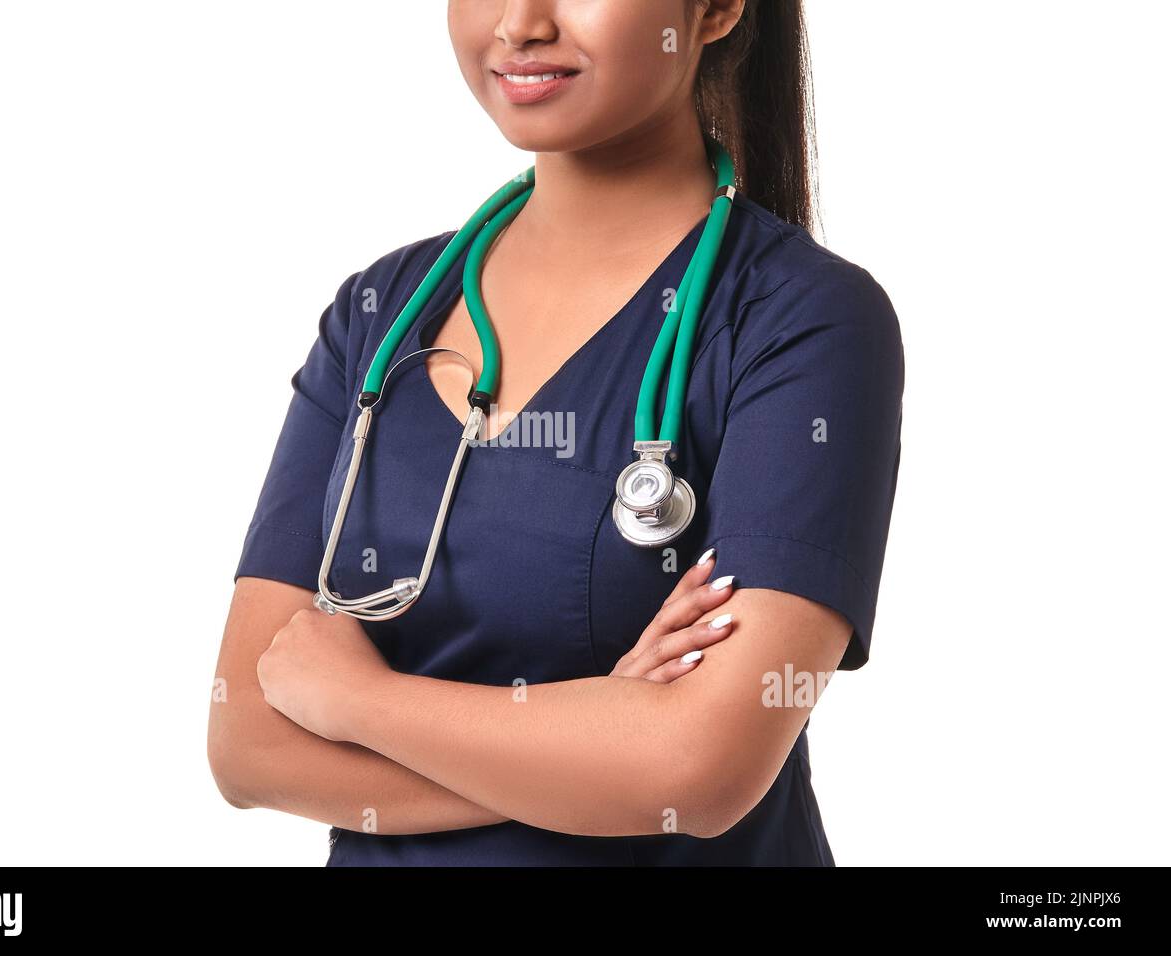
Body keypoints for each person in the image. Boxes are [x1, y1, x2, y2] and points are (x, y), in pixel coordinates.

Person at [207, 0, 904, 866]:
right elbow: (247, 744)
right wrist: (600, 741)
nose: (521, 22)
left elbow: (696, 772)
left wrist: (356, 699)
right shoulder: (379, 315)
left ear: (720, 8)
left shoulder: (802, 320)